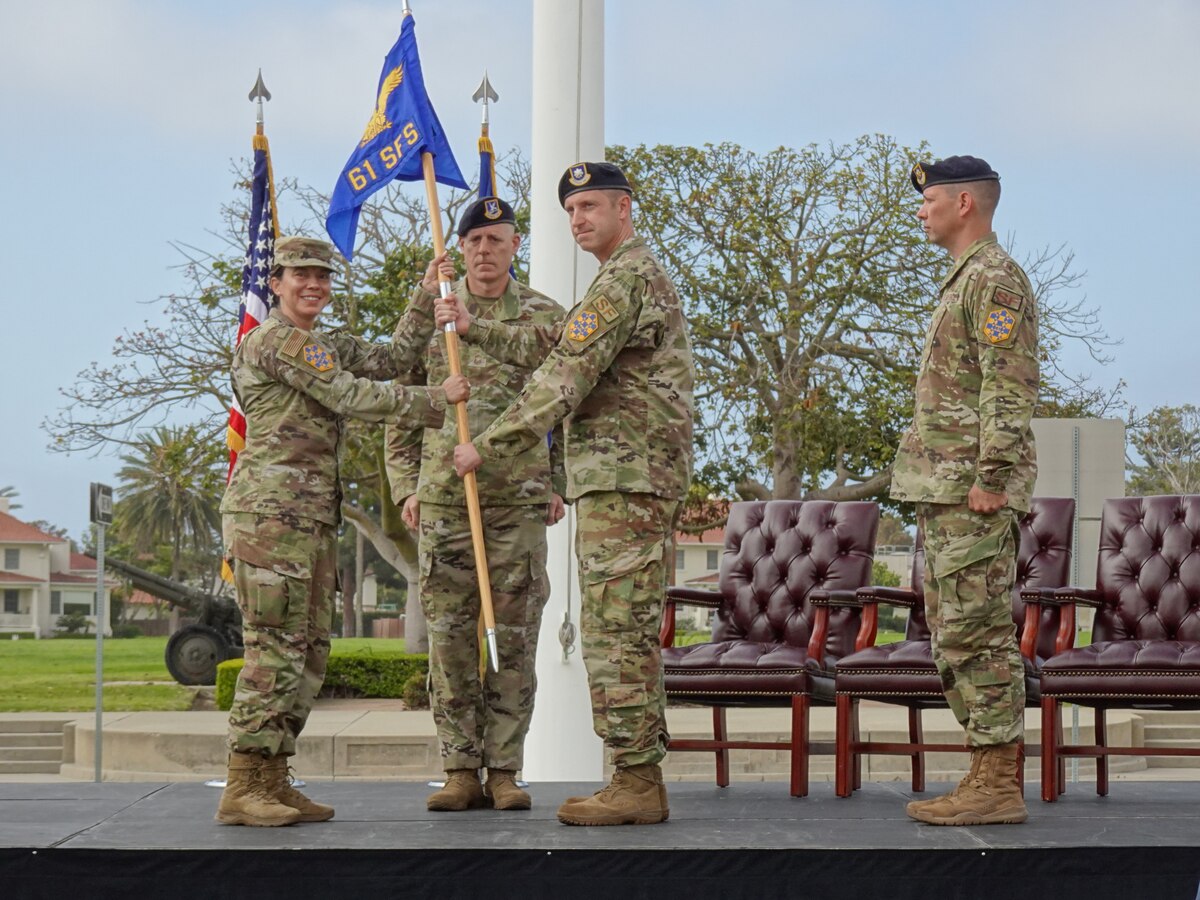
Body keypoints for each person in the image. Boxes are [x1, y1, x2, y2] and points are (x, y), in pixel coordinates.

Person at [435, 162, 695, 826]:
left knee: (618, 633)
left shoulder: (623, 280)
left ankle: (636, 781)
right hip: (621, 479)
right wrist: (477, 328)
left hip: (626, 480)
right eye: (571, 210)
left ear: (624, 209)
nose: (579, 220)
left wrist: (484, 447)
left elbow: (564, 376)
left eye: (590, 207)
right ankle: (635, 778)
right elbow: (557, 340)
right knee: (616, 627)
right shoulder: (618, 281)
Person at [217, 235, 469, 827]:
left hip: (307, 518)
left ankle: (273, 779)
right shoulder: (275, 341)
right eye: (301, 275)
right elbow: (351, 394)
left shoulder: (321, 343)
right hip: (269, 518)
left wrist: (424, 291)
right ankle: (242, 784)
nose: (314, 285)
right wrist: (439, 400)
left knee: (307, 654)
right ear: (275, 282)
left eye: (323, 277)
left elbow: (392, 360)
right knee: (273, 650)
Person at [384, 196, 566, 812]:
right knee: (451, 637)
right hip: (444, 499)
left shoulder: (544, 315)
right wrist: (406, 485)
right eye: (473, 242)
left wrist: (558, 480)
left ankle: (505, 770)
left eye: (496, 240)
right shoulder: (432, 314)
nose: (484, 251)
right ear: (458, 250)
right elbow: (400, 407)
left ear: (516, 245)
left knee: (512, 638)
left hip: (517, 500)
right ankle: (460, 768)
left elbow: (567, 403)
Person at [891, 156, 1039, 826]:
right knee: (955, 632)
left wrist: (992, 476)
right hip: (947, 490)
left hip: (973, 492)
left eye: (928, 200)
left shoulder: (995, 280)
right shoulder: (965, 281)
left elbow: (1008, 386)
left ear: (964, 203)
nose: (921, 210)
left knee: (978, 633)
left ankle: (998, 783)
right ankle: (985, 773)